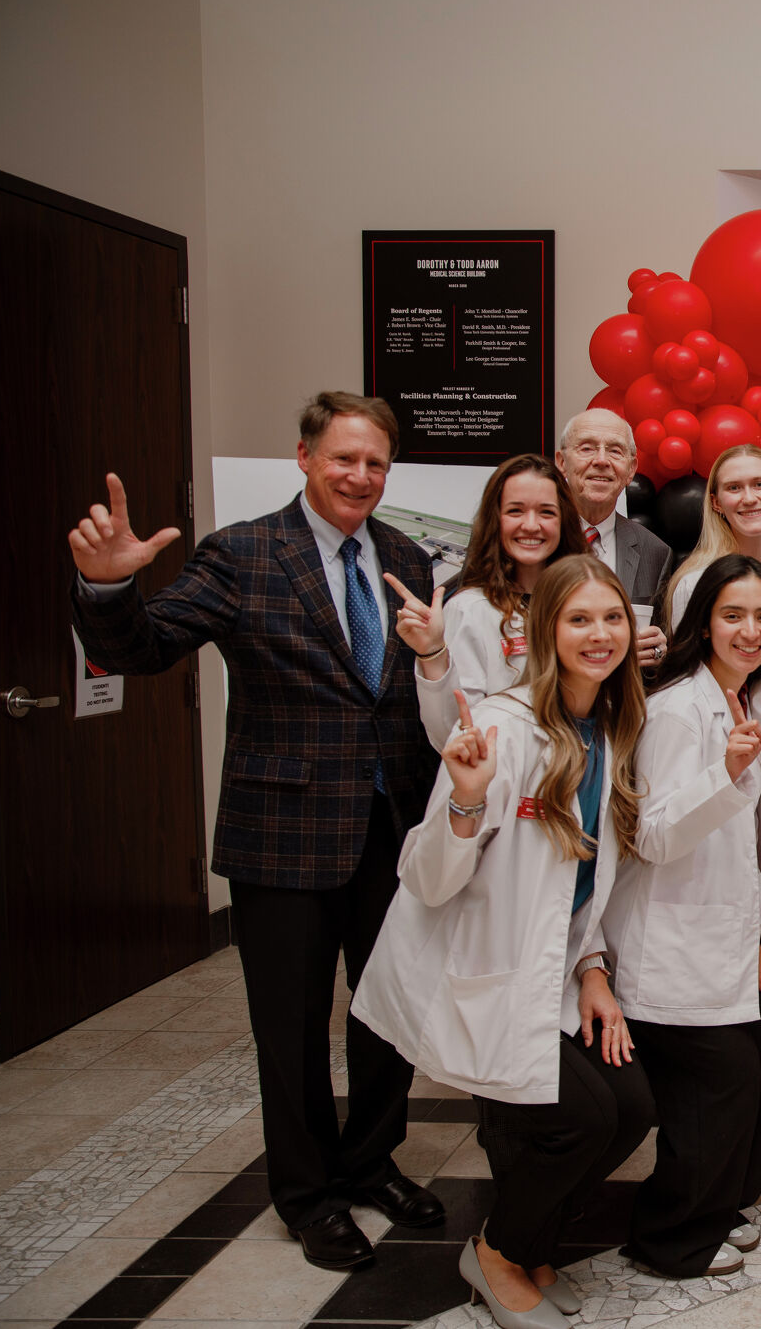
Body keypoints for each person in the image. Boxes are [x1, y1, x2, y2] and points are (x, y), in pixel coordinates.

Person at [68, 392, 445, 1269]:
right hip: (282, 834)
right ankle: (309, 1193)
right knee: (291, 1024)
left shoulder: (404, 558)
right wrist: (109, 583)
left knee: (389, 1012)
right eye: (344, 458)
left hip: (392, 830)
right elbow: (147, 646)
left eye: (376, 464)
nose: (360, 476)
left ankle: (370, 1159)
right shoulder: (242, 552)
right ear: (305, 458)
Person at [352, 555, 654, 1329]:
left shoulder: (611, 729)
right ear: (547, 630)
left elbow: (583, 879)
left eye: (611, 617)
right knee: (581, 1118)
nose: (598, 634)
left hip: (550, 970)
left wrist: (592, 968)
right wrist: (463, 800)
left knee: (630, 1106)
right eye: (579, 619)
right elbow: (424, 878)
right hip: (478, 970)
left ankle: (528, 1245)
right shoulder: (500, 727)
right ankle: (494, 1250)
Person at [608, 554, 761, 1278]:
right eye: (733, 615)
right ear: (703, 623)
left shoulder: (737, 699)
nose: (751, 630)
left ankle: (714, 1212)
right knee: (713, 1097)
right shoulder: (674, 708)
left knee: (753, 1086)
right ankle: (670, 1237)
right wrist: (725, 774)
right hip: (672, 943)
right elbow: (655, 834)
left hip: (722, 936)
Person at [395, 455, 590, 750]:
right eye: (515, 511)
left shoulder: (585, 603)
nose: (531, 525)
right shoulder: (470, 609)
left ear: (564, 520)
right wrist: (432, 654)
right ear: (495, 519)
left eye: (546, 512)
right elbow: (453, 733)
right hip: (503, 784)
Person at [555, 407, 674, 619]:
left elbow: (660, 634)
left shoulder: (655, 552)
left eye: (615, 451)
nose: (601, 460)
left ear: (631, 470)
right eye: (587, 448)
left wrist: (658, 649)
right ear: (562, 463)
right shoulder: (536, 538)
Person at [665, 445, 761, 624]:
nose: (749, 499)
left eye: (759, 484)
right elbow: (688, 652)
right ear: (716, 503)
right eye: (734, 488)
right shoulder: (694, 584)